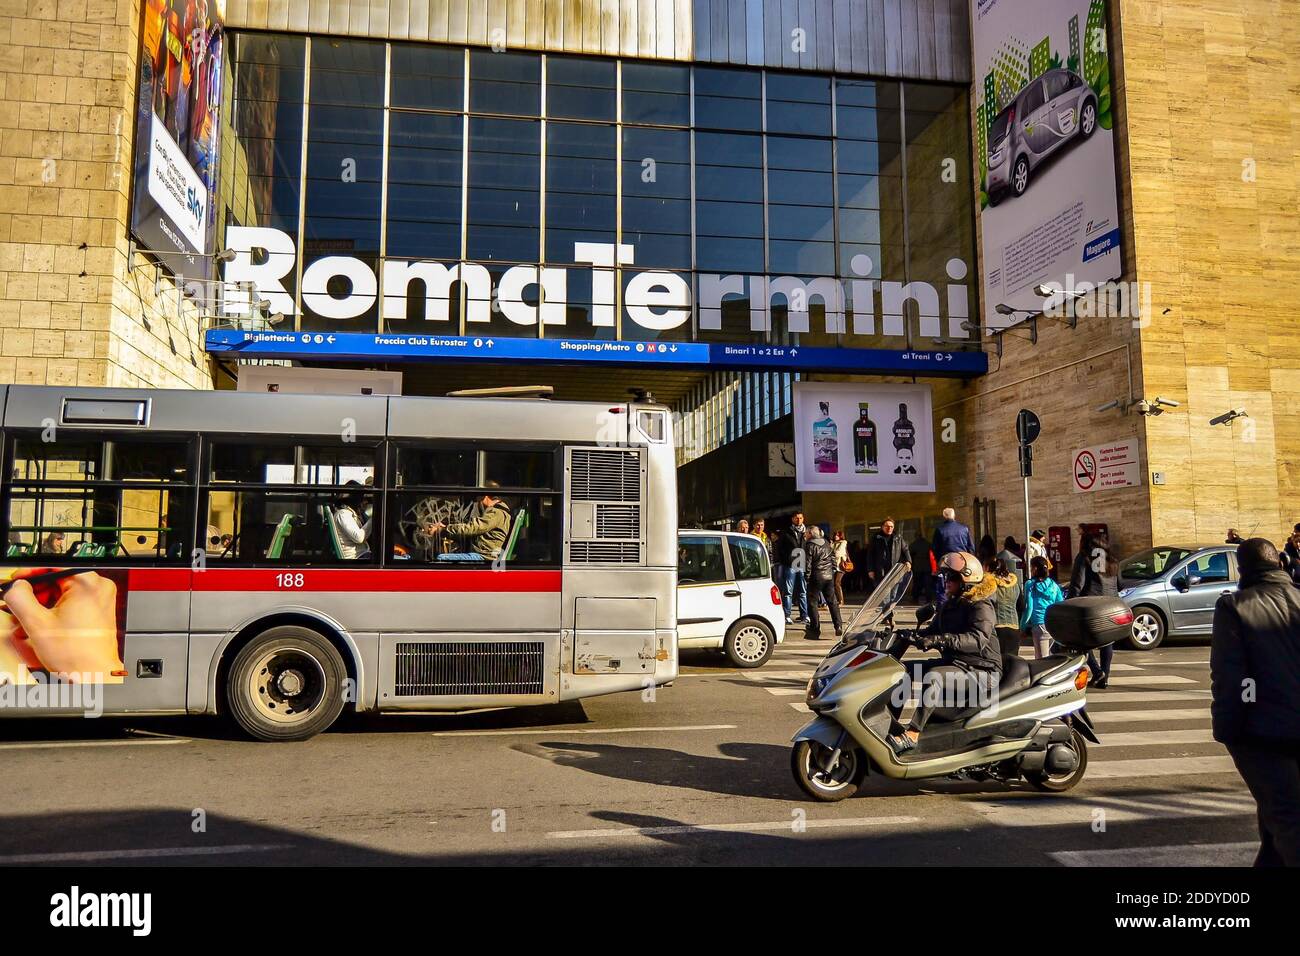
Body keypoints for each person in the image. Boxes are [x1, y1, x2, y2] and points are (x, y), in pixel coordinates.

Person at [1211, 538, 1300, 866]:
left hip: (1262, 733)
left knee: (1288, 820)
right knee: (1277, 822)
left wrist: (1226, 730)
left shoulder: (1234, 607)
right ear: (1280, 564)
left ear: (1242, 569)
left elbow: (1230, 676)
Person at [890, 552, 1001, 751]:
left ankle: (913, 733)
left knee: (935, 677)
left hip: (983, 670)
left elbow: (978, 640)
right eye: (946, 576)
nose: (947, 581)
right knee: (901, 670)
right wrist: (908, 635)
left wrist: (941, 640)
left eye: (953, 577)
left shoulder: (981, 605)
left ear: (967, 580)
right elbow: (933, 631)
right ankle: (890, 724)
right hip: (958, 664)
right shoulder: (950, 604)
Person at [1070, 532, 1112, 686]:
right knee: (1107, 641)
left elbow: (1077, 583)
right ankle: (1104, 677)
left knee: (1082, 640)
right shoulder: (1111, 559)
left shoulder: (1084, 557)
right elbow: (1119, 582)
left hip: (1090, 604)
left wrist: (1070, 602)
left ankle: (1097, 671)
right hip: (1110, 604)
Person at [424, 490, 513, 561]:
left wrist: (443, 529)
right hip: (481, 554)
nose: (479, 503)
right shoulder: (498, 513)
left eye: (479, 500)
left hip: (483, 556)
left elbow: (473, 528)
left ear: (485, 496)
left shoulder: (496, 512)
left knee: (442, 558)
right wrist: (444, 530)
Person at [1020, 555, 1064, 658]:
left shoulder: (1030, 585)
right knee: (1050, 657)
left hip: (1039, 624)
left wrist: (1022, 626)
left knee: (1041, 660)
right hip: (1052, 624)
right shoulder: (1054, 585)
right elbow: (1060, 604)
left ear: (1034, 568)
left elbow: (1029, 608)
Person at [804, 526, 842, 641]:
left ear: (810, 534)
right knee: (832, 602)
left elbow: (808, 563)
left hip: (816, 576)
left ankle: (815, 629)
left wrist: (807, 577)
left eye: (806, 533)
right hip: (828, 576)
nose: (805, 535)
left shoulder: (809, 545)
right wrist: (833, 570)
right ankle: (838, 625)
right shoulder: (826, 543)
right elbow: (833, 559)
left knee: (813, 603)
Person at [776, 513, 810, 625]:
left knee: (803, 591)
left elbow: (810, 548)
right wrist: (786, 560)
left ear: (803, 519)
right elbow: (780, 548)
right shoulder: (786, 532)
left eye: (800, 518)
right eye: (796, 518)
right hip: (790, 565)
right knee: (788, 591)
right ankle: (787, 615)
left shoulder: (807, 532)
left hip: (802, 564)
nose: (799, 520)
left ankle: (804, 615)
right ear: (792, 519)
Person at [329, 481, 372, 560]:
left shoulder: (351, 513)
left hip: (363, 553)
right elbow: (359, 537)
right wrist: (374, 519)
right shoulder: (342, 514)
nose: (364, 501)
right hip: (356, 557)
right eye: (361, 498)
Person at [990, 556, 1022, 658]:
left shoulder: (991, 584)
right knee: (1013, 661)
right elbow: (1021, 605)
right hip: (1014, 627)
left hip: (997, 627)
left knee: (998, 661)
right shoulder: (1015, 584)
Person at [868, 517, 909, 588]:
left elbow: (905, 550)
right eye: (887, 526)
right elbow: (870, 555)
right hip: (881, 571)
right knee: (884, 595)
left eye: (891, 526)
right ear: (882, 527)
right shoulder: (876, 538)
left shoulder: (898, 537)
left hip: (895, 570)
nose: (889, 528)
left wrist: (908, 561)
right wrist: (870, 570)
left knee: (893, 595)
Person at [909, 531, 935, 603]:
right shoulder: (928, 544)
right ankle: (929, 600)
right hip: (927, 567)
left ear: (916, 536)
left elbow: (910, 556)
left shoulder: (913, 545)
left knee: (917, 584)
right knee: (928, 585)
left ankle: (915, 599)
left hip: (917, 567)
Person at [831, 529, 850, 606]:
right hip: (833, 566)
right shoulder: (833, 543)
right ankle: (835, 600)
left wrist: (831, 546)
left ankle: (841, 601)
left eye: (838, 535)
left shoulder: (843, 543)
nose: (836, 536)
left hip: (840, 566)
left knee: (837, 583)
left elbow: (837, 553)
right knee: (832, 583)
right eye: (835, 535)